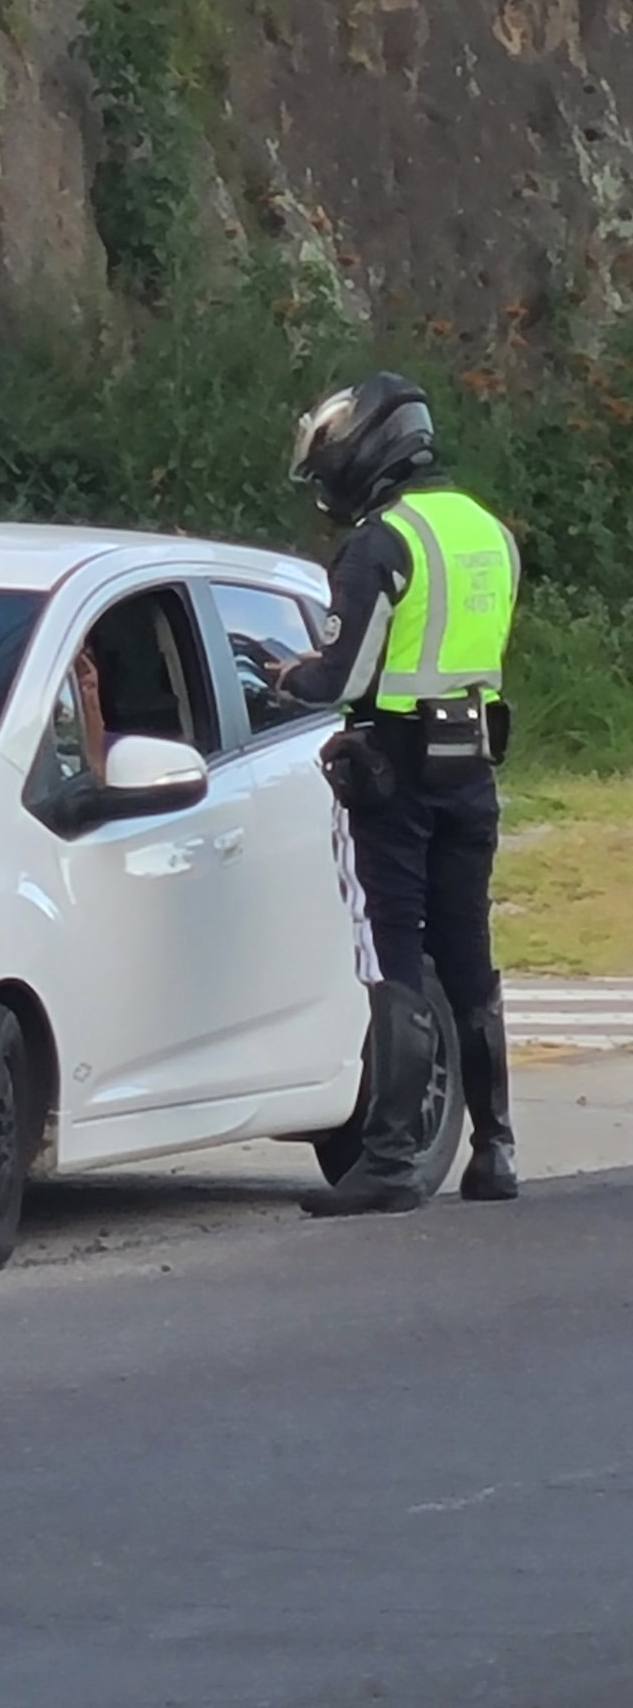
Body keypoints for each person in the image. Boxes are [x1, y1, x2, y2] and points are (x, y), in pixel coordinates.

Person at [278, 370, 520, 1218]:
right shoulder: (488, 532)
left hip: (394, 770)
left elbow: (339, 673)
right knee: (467, 956)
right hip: (472, 767)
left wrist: (286, 674)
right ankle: (495, 1147)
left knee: (391, 951)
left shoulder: (383, 543)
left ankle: (390, 1157)